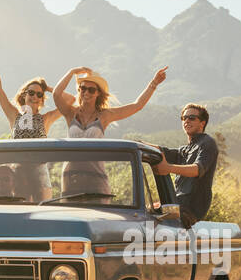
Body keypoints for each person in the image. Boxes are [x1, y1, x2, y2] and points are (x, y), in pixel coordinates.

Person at [51, 64, 167, 197]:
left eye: (91, 90)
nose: (86, 92)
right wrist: (71, 71)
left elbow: (137, 106)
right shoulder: (70, 113)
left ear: (98, 93)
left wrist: (154, 83)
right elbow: (56, 94)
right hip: (70, 177)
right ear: (79, 89)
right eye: (83, 88)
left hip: (96, 177)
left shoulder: (105, 115)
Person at [0, 40, 55, 200]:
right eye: (31, 93)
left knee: (42, 215)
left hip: (40, 176)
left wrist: (48, 88)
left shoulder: (46, 118)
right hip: (18, 175)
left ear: (42, 99)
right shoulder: (14, 115)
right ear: (24, 95)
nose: (35, 97)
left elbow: (71, 101)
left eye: (39, 94)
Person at [150, 103, 218, 226]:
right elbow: (163, 151)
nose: (186, 120)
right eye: (183, 118)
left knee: (145, 218)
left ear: (202, 123)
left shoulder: (207, 143)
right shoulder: (185, 150)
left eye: (191, 117)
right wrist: (136, 143)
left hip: (188, 211)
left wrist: (168, 168)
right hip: (176, 206)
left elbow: (197, 169)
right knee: (143, 211)